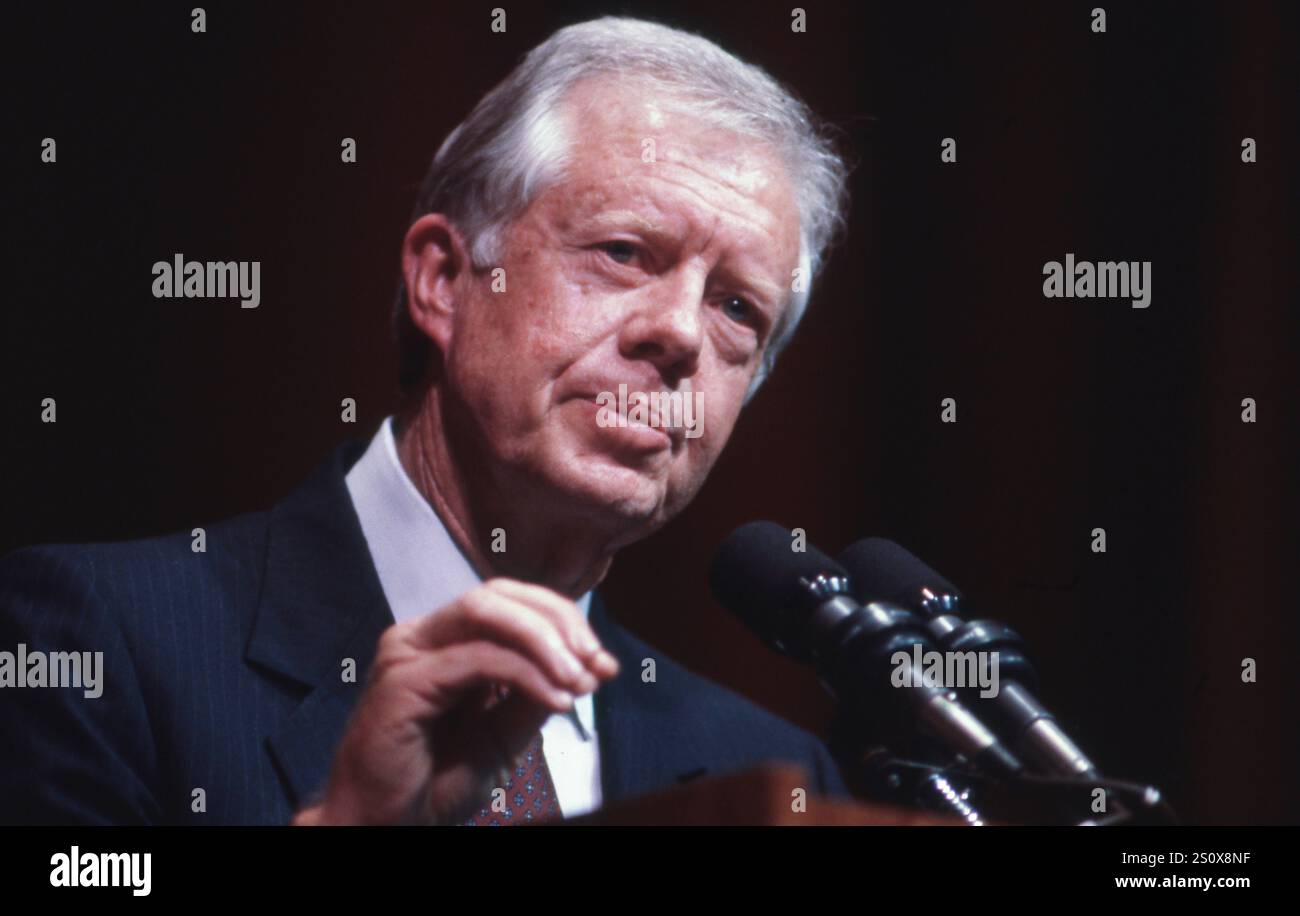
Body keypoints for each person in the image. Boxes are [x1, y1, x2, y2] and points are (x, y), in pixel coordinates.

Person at [0, 16, 851, 825]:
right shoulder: (97, 647)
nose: (679, 333)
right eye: (624, 253)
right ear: (444, 280)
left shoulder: (774, 772)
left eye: (738, 308)